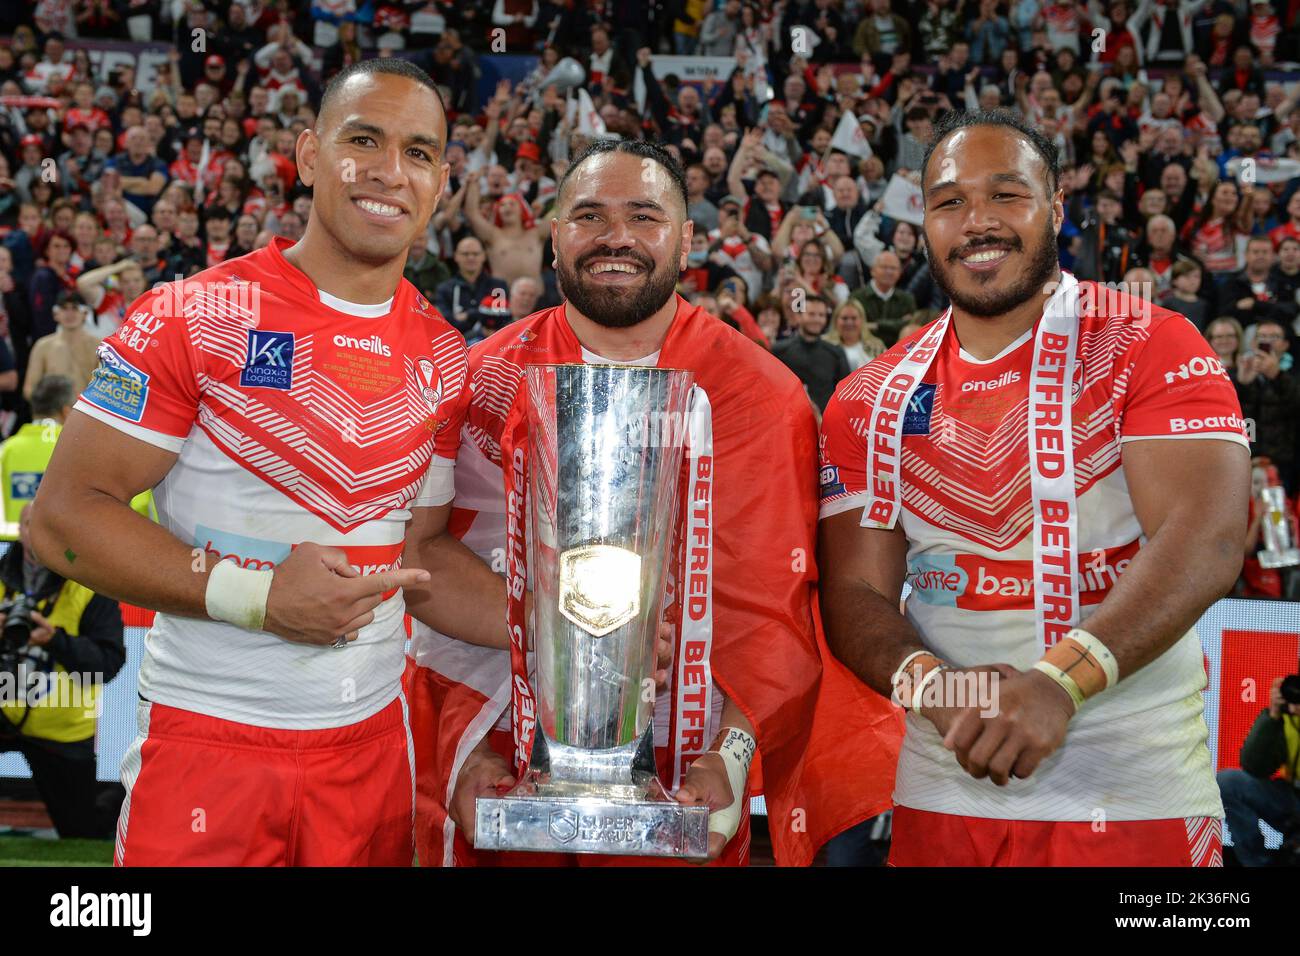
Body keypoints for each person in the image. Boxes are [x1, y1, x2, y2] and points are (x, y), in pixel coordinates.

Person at [401, 138, 902, 868]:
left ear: (687, 238)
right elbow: (428, 571)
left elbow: (777, 615)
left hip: (681, 772)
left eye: (644, 215)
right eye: (589, 216)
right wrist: (465, 752)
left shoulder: (760, 397)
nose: (617, 237)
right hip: (505, 763)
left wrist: (728, 761)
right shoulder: (483, 382)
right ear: (554, 235)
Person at [29, 58, 471, 867]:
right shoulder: (192, 314)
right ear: (306, 155)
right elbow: (59, 522)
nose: (387, 172)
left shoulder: (444, 356)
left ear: (441, 181)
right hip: (208, 749)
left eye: (417, 152)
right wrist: (259, 598)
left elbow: (421, 553)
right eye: (362, 139)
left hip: (374, 752)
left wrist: (569, 630)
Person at [819, 110, 1249, 866]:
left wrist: (1060, 684)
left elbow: (1207, 538)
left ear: (1054, 208)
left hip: (1132, 793)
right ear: (924, 223)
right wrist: (935, 689)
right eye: (949, 201)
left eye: (1005, 195)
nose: (977, 221)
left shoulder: (1150, 340)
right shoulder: (868, 395)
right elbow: (856, 591)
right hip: (944, 790)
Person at [0, 501, 126, 839]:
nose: (39, 537)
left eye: (49, 529)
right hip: (3, 712)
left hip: (61, 729)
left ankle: (122, 799)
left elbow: (107, 665)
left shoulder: (90, 585)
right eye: (31, 525)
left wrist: (54, 640)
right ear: (21, 530)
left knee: (83, 831)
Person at [1216, 671, 1300, 865]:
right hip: (1292, 800)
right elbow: (1254, 767)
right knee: (1229, 783)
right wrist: (1272, 716)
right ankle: (1257, 863)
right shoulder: (1289, 716)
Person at [773, 292, 850, 411]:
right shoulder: (779, 351)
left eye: (821, 315)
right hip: (788, 420)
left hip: (825, 423)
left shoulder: (836, 353)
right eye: (811, 314)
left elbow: (845, 395)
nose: (817, 320)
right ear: (798, 316)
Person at [24, 288, 101, 399]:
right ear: (56, 314)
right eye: (64, 308)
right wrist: (49, 407)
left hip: (86, 412)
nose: (69, 314)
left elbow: (106, 388)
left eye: (75, 308)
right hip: (53, 411)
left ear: (85, 313)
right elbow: (30, 388)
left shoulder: (99, 346)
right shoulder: (43, 346)